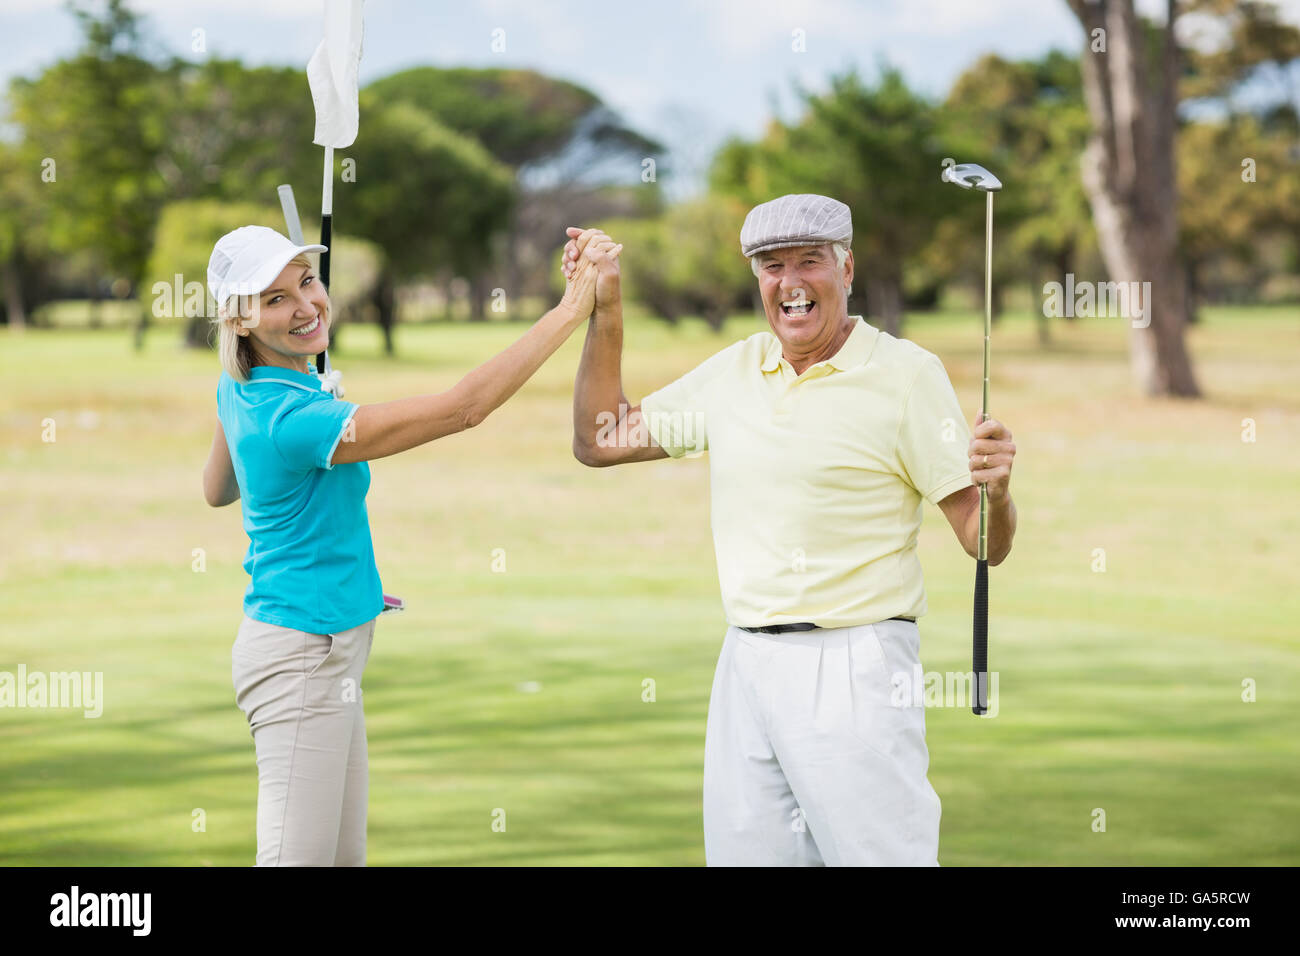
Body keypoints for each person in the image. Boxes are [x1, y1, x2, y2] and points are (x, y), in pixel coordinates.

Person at [566, 194, 1018, 866]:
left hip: (856, 666)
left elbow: (985, 541)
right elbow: (600, 441)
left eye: (811, 261)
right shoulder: (738, 369)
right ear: (758, 280)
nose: (792, 282)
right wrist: (606, 311)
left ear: (848, 269)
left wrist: (1000, 492)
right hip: (746, 663)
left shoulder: (905, 375)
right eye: (773, 266)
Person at [202, 223, 620, 865]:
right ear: (239, 321)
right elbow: (464, 409)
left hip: (325, 651)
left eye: (307, 282)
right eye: (276, 299)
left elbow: (216, 487)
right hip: (302, 659)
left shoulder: (248, 388)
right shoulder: (294, 420)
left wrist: (308, 386)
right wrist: (571, 308)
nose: (306, 305)